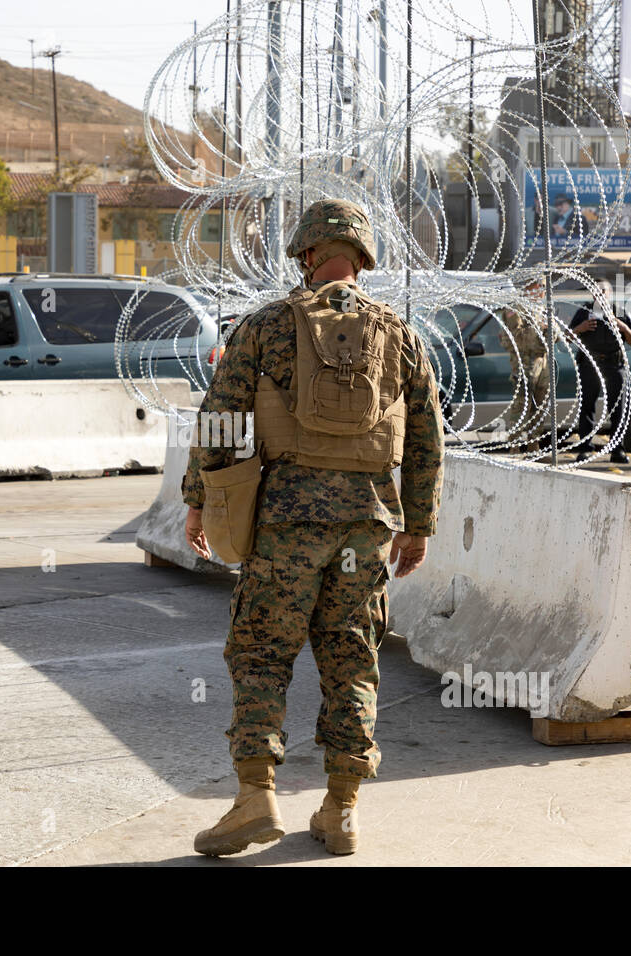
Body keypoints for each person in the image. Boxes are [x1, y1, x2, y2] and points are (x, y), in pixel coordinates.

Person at [181, 199, 444, 857]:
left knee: (262, 653)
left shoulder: (266, 326)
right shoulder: (402, 336)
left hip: (286, 525)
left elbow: (221, 418)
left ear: (305, 255)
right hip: (367, 529)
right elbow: (426, 440)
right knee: (352, 657)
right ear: (362, 258)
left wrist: (200, 499)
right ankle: (341, 809)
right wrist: (417, 527)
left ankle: (254, 798)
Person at [570, 279, 631, 464]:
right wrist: (580, 328)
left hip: (614, 365)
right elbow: (566, 337)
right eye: (596, 291)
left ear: (609, 293)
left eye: (603, 291)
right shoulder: (583, 312)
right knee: (587, 408)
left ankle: (617, 450)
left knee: (618, 410)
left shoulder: (620, 312)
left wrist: (623, 327)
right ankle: (585, 448)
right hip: (590, 365)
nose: (599, 294)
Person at [498, 278, 564, 452]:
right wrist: (539, 330)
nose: (542, 290)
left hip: (543, 364)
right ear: (529, 286)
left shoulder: (542, 309)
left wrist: (548, 329)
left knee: (540, 407)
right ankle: (515, 446)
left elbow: (555, 334)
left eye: (543, 286)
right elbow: (515, 339)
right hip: (524, 364)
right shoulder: (515, 309)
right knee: (522, 407)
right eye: (540, 286)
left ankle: (534, 446)